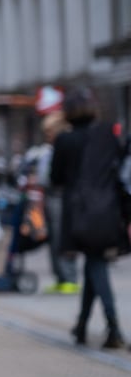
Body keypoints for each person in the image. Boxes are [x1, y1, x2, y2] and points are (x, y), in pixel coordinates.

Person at [51, 87, 128, 349]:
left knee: (95, 263)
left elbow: (55, 178)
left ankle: (113, 326)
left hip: (80, 211)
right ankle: (82, 326)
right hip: (107, 209)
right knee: (93, 264)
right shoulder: (108, 134)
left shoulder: (65, 140)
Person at [26, 110, 79, 294]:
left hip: (60, 195)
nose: (47, 135)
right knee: (53, 237)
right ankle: (60, 276)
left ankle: (69, 277)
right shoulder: (46, 150)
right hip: (49, 194)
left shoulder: (66, 148)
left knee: (62, 237)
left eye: (49, 131)